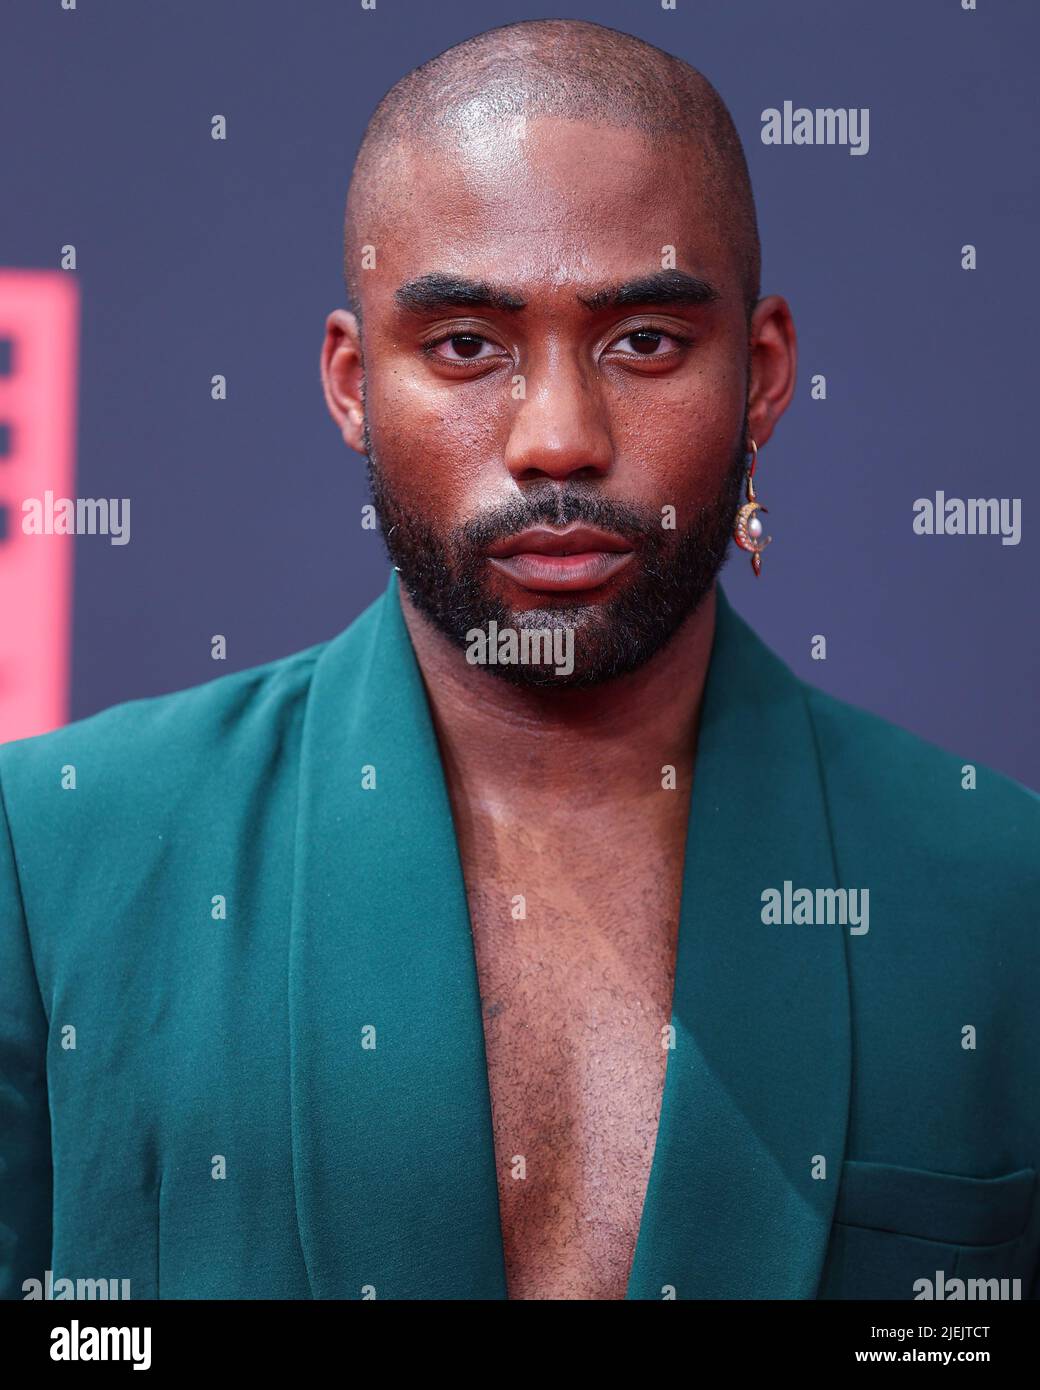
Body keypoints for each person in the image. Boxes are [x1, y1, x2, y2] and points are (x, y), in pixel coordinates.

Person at [1, 19, 1037, 1302]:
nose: (555, 439)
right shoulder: (54, 856)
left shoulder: (1001, 895)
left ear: (761, 377)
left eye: (644, 342)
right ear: (349, 384)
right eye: (466, 347)